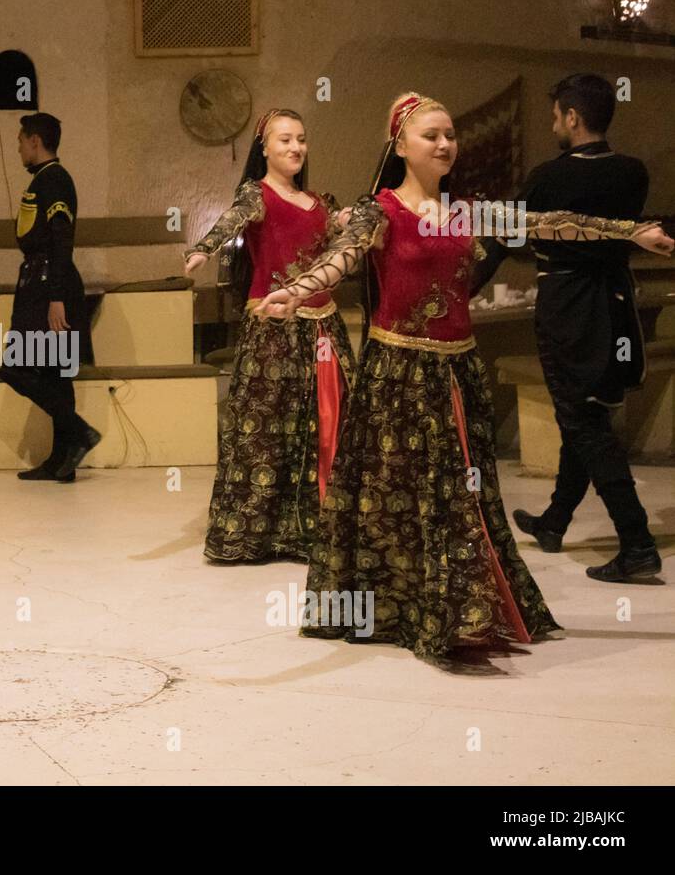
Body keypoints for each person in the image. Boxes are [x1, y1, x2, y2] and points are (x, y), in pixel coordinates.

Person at [257, 91, 671, 661]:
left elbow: (550, 224)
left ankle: (463, 611)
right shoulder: (380, 211)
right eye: (431, 135)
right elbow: (342, 259)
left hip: (459, 374)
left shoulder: (466, 213)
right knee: (395, 496)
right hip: (398, 374)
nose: (446, 144)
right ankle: (399, 608)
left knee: (461, 497)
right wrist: (296, 290)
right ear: (401, 145)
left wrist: (630, 233)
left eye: (450, 134)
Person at [471, 73, 664, 583]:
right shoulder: (633, 174)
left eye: (557, 115)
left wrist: (463, 286)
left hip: (569, 309)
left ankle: (638, 543)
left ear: (573, 118)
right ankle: (556, 521)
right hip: (617, 305)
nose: (555, 122)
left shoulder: (547, 179)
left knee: (583, 423)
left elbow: (501, 240)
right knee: (588, 412)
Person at [185, 108, 353, 563]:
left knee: (321, 428)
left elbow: (350, 234)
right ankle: (255, 532)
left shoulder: (322, 202)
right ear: (265, 147)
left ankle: (316, 529)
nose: (295, 147)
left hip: (322, 327)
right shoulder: (256, 195)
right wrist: (203, 249)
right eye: (284, 140)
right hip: (272, 330)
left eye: (301, 139)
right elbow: (231, 221)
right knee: (266, 433)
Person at [0, 112, 99, 482]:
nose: (20, 148)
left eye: (22, 141)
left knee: (16, 368)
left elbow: (62, 238)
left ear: (35, 141)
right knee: (56, 375)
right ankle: (62, 460)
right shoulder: (46, 178)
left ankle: (78, 432)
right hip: (41, 281)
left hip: (47, 286)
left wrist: (56, 296)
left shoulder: (54, 179)